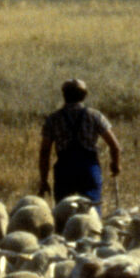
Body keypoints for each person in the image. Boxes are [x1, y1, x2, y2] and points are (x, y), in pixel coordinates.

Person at [37, 78, 121, 206]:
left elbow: (44, 152)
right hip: (88, 168)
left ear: (64, 95)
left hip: (64, 169)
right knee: (91, 208)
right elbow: (115, 146)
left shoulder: (53, 119)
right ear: (84, 95)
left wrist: (44, 180)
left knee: (64, 209)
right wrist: (115, 165)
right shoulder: (95, 116)